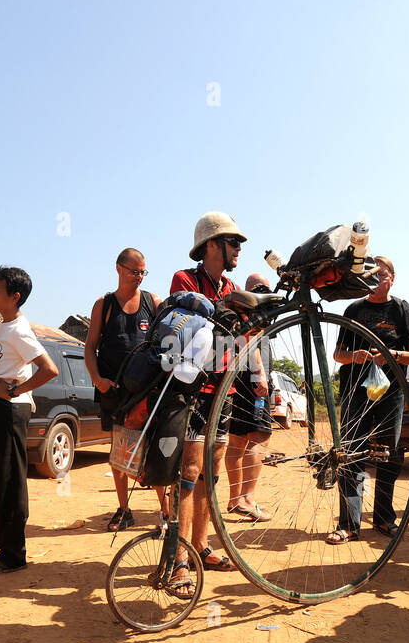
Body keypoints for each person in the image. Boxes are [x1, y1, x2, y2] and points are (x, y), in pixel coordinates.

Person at [165, 211, 243, 597]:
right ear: (211, 245)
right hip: (193, 389)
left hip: (224, 390)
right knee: (190, 471)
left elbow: (241, 335)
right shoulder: (186, 279)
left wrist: (256, 373)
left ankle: (201, 545)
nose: (239, 249)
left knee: (211, 470)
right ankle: (178, 560)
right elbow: (193, 318)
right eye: (233, 243)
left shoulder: (232, 285)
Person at [0, 266, 58, 575]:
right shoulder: (5, 326)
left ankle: (13, 553)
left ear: (14, 297)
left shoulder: (19, 329)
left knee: (10, 481)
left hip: (12, 410)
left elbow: (49, 369)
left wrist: (15, 389)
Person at [330, 256, 409, 544]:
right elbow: (338, 355)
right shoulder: (353, 308)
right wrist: (353, 357)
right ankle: (349, 524)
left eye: (382, 274)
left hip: (391, 390)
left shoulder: (402, 309)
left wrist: (393, 355)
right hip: (356, 389)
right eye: (372, 274)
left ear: (392, 278)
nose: (377, 279)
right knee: (352, 452)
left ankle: (384, 518)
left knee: (389, 452)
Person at [84, 248, 162, 531]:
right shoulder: (103, 305)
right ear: (118, 269)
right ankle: (124, 509)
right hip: (114, 392)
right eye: (134, 271)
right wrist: (97, 379)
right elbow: (90, 348)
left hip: (146, 393)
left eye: (143, 272)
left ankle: (165, 512)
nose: (139, 277)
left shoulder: (153, 303)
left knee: (154, 451)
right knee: (118, 452)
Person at [225, 272, 277, 522]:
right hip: (252, 382)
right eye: (261, 287)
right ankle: (247, 499)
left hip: (235, 379)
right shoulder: (252, 310)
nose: (265, 291)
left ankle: (235, 499)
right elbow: (251, 340)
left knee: (236, 441)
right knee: (260, 435)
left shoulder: (236, 307)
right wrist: (259, 373)